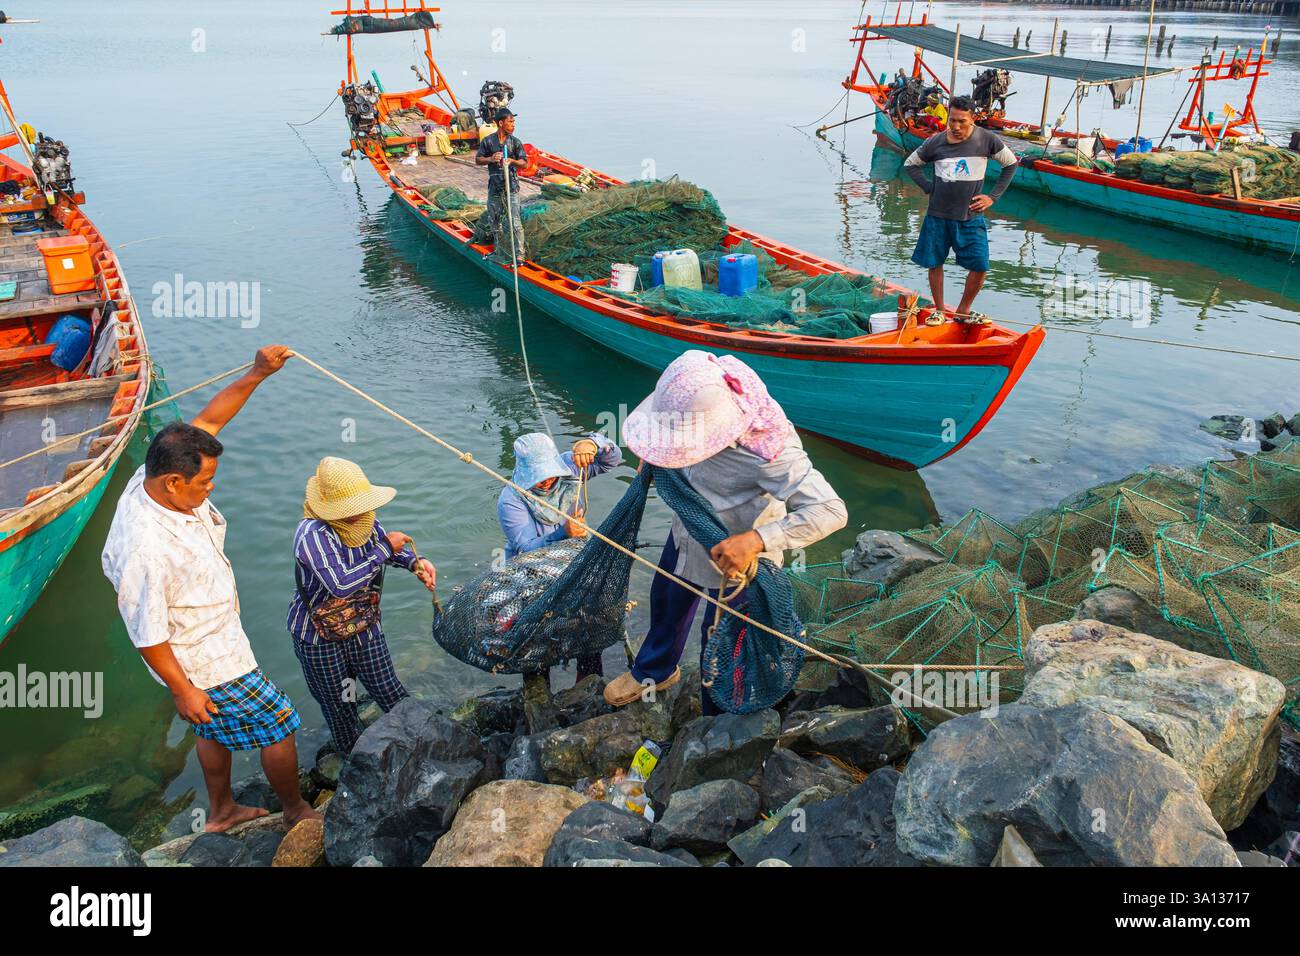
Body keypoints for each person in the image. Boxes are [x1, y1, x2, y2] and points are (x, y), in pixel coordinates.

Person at [102, 345, 319, 833]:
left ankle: (220, 811)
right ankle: (297, 811)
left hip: (215, 632)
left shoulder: (155, 473)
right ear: (174, 482)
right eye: (206, 483)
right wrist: (183, 690)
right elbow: (147, 630)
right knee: (280, 724)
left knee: (211, 727)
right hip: (199, 657)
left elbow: (210, 420)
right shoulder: (147, 548)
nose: (211, 488)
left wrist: (257, 373)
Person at [602, 351, 848, 714]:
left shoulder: (772, 454)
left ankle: (717, 714)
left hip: (737, 554)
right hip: (690, 525)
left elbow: (831, 510)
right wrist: (658, 453)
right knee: (668, 597)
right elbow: (671, 431)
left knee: (720, 638)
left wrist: (756, 541)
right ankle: (654, 671)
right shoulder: (703, 391)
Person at [287, 457, 437, 753]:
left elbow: (384, 552)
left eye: (360, 506)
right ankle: (352, 759)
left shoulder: (366, 519)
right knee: (339, 704)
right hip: (318, 635)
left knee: (387, 686)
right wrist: (385, 548)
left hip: (362, 622)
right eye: (349, 509)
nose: (357, 514)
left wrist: (413, 564)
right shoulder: (311, 536)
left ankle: (426, 741)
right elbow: (341, 584)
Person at [498, 431, 623, 680]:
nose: (545, 481)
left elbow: (613, 460)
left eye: (548, 474)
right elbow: (526, 549)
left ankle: (588, 685)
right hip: (532, 571)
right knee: (537, 635)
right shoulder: (511, 499)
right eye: (538, 477)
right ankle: (538, 694)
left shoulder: (570, 466)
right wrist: (563, 532)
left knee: (586, 623)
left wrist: (593, 443)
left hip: (574, 560)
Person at [903, 95, 1018, 322]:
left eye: (962, 121)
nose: (956, 126)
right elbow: (911, 164)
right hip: (938, 215)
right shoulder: (935, 142)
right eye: (952, 120)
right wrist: (929, 188)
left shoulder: (986, 139)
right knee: (935, 262)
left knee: (980, 264)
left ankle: (963, 310)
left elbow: (1011, 163)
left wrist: (992, 197)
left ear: (972, 119)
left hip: (971, 215)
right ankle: (940, 311)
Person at [474, 106, 528, 263]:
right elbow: (478, 160)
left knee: (515, 221)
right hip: (495, 188)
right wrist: (491, 159)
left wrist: (512, 161)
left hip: (511, 187)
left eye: (514, 122)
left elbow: (524, 163)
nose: (513, 125)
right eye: (510, 122)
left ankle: (519, 255)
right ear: (500, 123)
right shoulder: (488, 141)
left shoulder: (515, 143)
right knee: (495, 221)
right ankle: (500, 249)